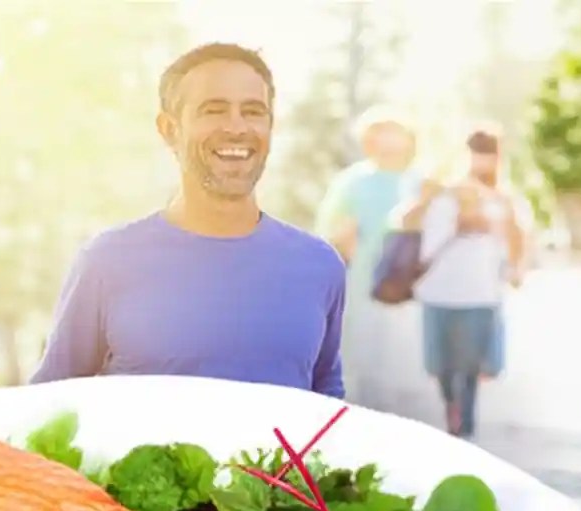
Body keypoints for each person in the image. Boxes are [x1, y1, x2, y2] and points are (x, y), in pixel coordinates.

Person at [30, 43, 345, 398]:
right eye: (214, 110)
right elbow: (48, 402)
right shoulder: (108, 261)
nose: (237, 128)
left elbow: (326, 394)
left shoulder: (319, 265)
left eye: (253, 112)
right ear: (169, 129)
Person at [412, 127, 527, 439]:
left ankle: (464, 422)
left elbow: (517, 242)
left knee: (471, 365)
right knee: (442, 366)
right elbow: (421, 238)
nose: (481, 161)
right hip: (438, 290)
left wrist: (513, 265)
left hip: (481, 293)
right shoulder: (441, 194)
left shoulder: (505, 200)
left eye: (488, 153)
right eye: (476, 152)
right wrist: (457, 223)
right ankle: (453, 407)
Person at [315, 108, 421, 410]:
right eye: (379, 136)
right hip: (362, 282)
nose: (387, 144)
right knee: (365, 362)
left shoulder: (421, 181)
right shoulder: (352, 182)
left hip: (412, 287)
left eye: (394, 135)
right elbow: (331, 232)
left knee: (406, 366)